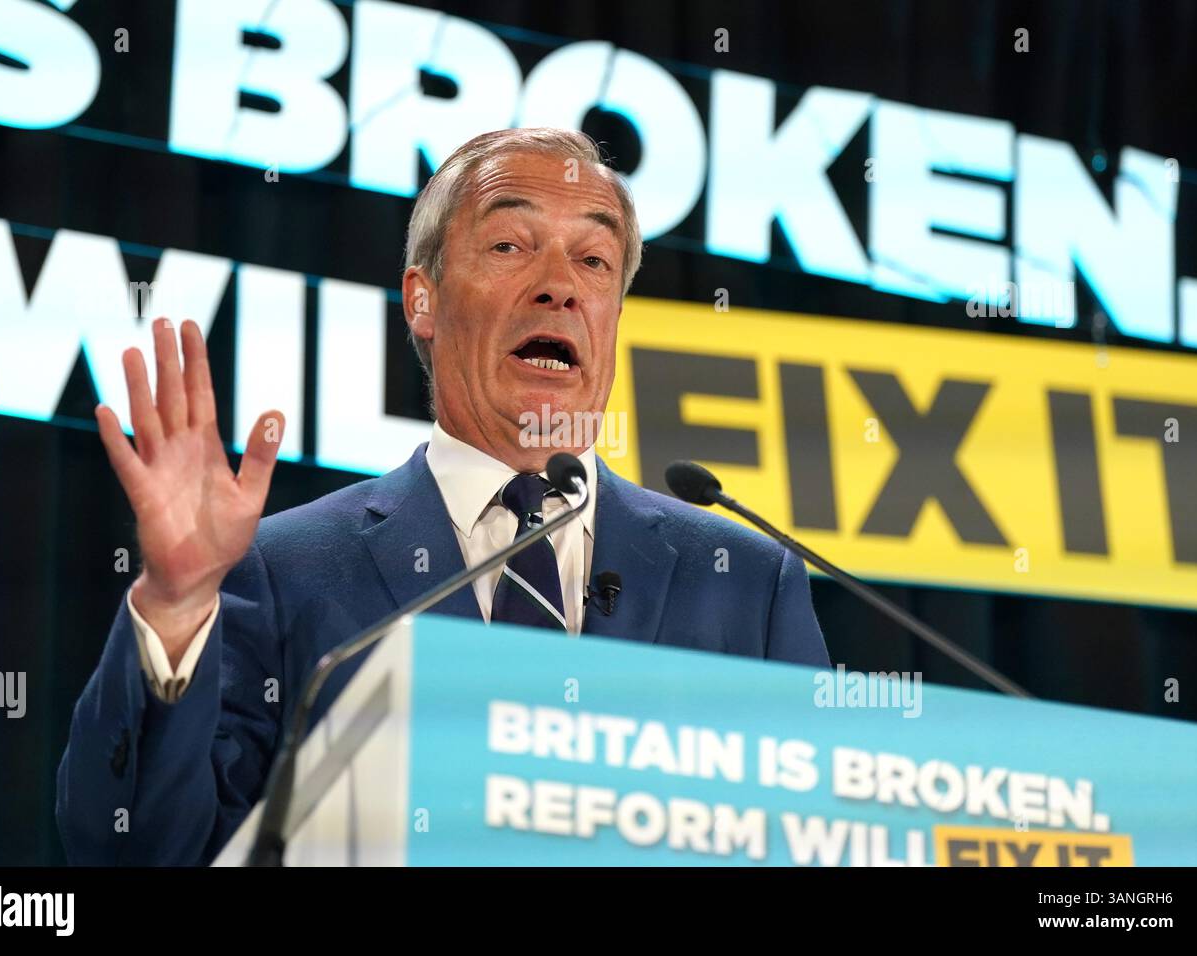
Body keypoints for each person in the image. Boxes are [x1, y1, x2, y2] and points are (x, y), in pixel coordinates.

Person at [56, 127, 829, 865]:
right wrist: (178, 605)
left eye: (593, 261)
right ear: (422, 300)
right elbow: (138, 850)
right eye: (508, 246)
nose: (559, 285)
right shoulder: (283, 571)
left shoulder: (748, 586)